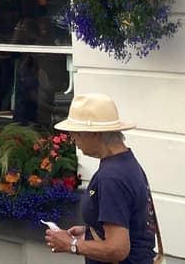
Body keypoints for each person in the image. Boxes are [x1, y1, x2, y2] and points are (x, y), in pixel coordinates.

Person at [44, 93, 158, 263]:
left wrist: (71, 244)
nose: (73, 140)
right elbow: (130, 224)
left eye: (77, 134)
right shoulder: (125, 163)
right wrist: (90, 233)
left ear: (95, 134)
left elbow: (117, 249)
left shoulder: (111, 177)